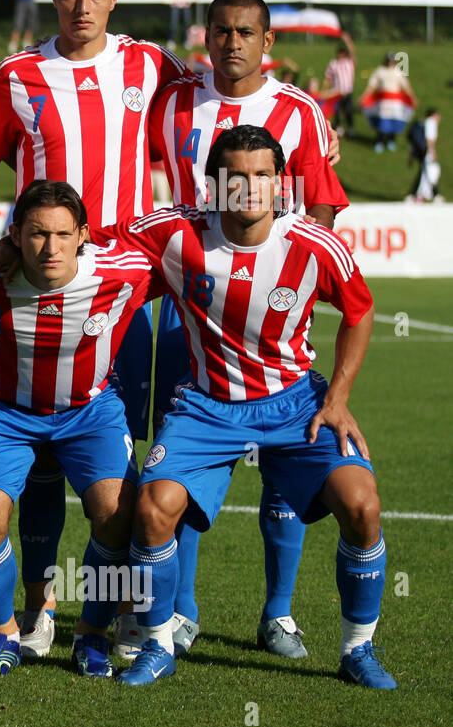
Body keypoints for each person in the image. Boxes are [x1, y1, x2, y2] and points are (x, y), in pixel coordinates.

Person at [91, 125, 394, 690]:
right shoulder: (175, 233)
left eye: (262, 175)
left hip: (295, 401)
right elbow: (89, 243)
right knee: (154, 508)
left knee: (363, 506)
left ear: (281, 183)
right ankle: (157, 645)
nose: (249, 188)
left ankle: (358, 649)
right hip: (208, 407)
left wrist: (339, 397)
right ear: (214, 184)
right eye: (236, 176)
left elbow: (361, 310)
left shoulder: (314, 244)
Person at [0, 0, 186, 659]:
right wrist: (4, 240)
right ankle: (39, 605)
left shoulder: (151, 65)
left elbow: (214, 109)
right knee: (32, 457)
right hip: (36, 285)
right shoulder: (17, 76)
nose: (81, 6)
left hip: (123, 290)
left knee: (118, 461)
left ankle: (120, 610)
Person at [148, 0, 349, 659]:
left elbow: (321, 212)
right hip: (190, 307)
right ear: (205, 35)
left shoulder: (299, 110)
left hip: (273, 315)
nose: (231, 43)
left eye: (245, 33)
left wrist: (294, 296)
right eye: (220, 31)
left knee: (285, 465)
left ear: (267, 41)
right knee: (188, 466)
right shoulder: (172, 99)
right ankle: (178, 613)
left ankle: (279, 613)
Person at [0, 180, 157, 679]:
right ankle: (3, 634)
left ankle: (91, 635)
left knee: (118, 512)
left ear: (83, 236)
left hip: (88, 411)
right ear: (15, 234)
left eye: (62, 234)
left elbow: (186, 231)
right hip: (2, 411)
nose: (50, 247)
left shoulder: (124, 270)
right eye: (35, 234)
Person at [360, 53, 416, 153]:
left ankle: (391, 140)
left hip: (395, 102)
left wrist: (412, 97)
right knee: (383, 121)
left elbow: (406, 86)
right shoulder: (380, 71)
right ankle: (380, 141)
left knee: (394, 120)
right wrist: (364, 96)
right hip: (384, 102)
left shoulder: (398, 72)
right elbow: (372, 86)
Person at [323, 32, 357, 139]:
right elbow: (328, 78)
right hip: (336, 92)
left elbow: (353, 52)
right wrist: (324, 90)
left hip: (347, 91)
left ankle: (350, 127)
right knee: (337, 112)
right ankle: (338, 128)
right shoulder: (333, 64)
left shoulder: (349, 62)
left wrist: (347, 40)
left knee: (348, 110)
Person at [407, 108, 441, 202]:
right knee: (429, 173)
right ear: (434, 114)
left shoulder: (423, 122)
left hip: (420, 151)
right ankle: (429, 194)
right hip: (426, 151)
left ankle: (418, 194)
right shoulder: (431, 122)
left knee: (425, 172)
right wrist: (432, 151)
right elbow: (429, 139)